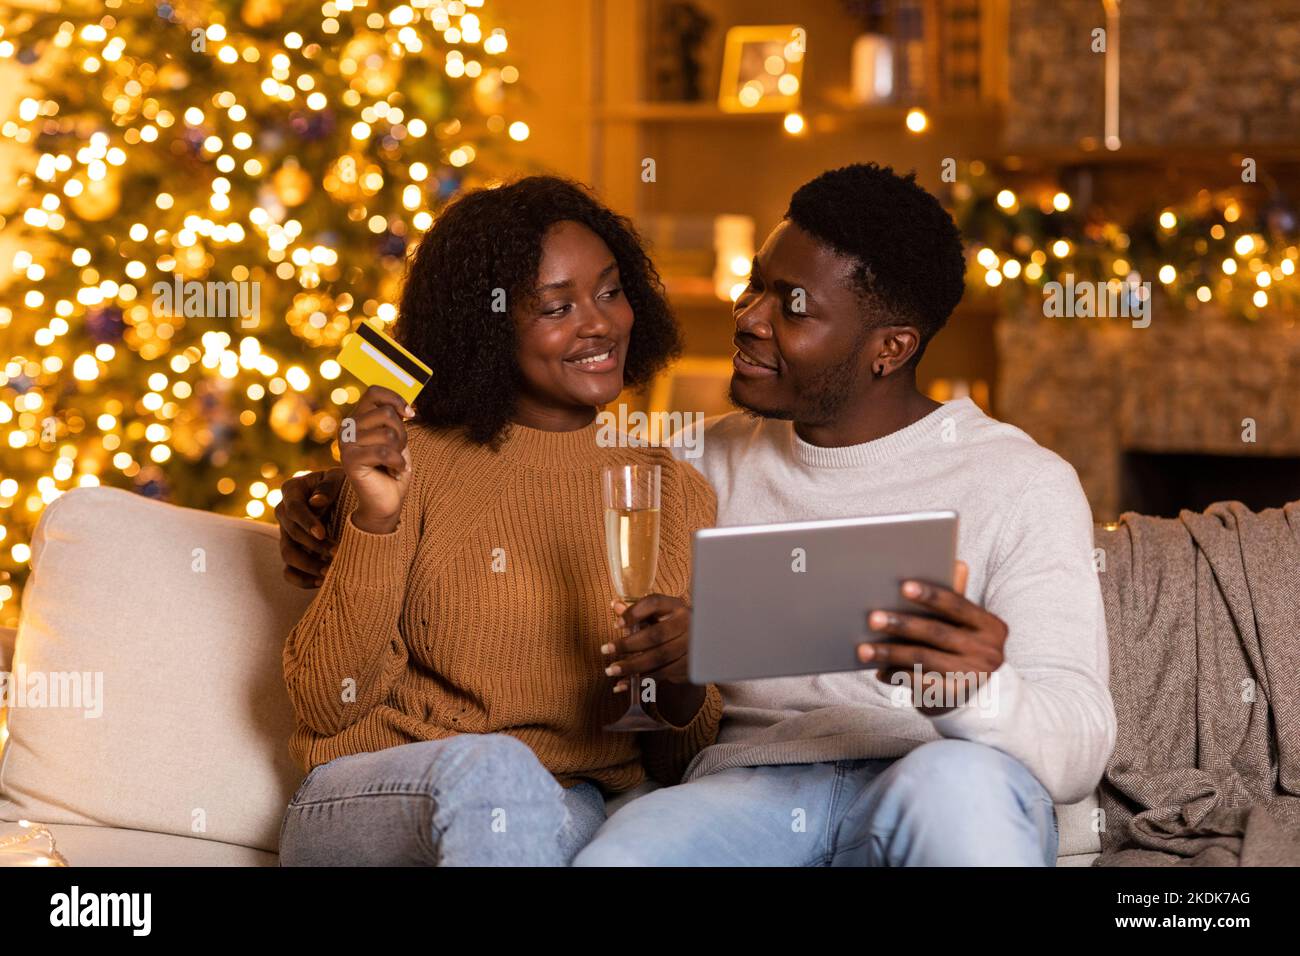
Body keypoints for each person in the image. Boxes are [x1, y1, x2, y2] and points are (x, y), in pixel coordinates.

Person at [281, 163, 1116, 867]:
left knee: (962, 794)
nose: (747, 317)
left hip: (933, 767)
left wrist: (977, 691)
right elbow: (519, 471)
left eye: (791, 305)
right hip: (743, 790)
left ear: (889, 347)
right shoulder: (692, 463)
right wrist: (334, 504)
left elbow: (1079, 745)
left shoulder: (1019, 481)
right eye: (757, 282)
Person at [277, 176, 720, 867]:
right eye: (555, 307)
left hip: (564, 807)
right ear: (486, 327)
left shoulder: (673, 490)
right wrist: (373, 519)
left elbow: (678, 763)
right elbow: (326, 703)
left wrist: (685, 678)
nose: (599, 323)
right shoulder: (406, 463)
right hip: (374, 797)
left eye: (610, 291)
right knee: (494, 771)